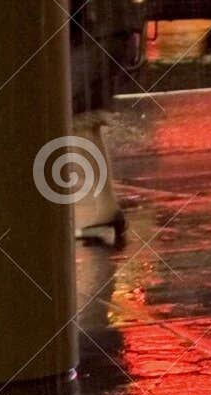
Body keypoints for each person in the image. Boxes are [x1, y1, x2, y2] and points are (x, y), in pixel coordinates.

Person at [71, 0, 143, 247]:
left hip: (99, 35)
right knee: (84, 121)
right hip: (106, 33)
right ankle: (105, 210)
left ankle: (105, 210)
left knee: (77, 116)